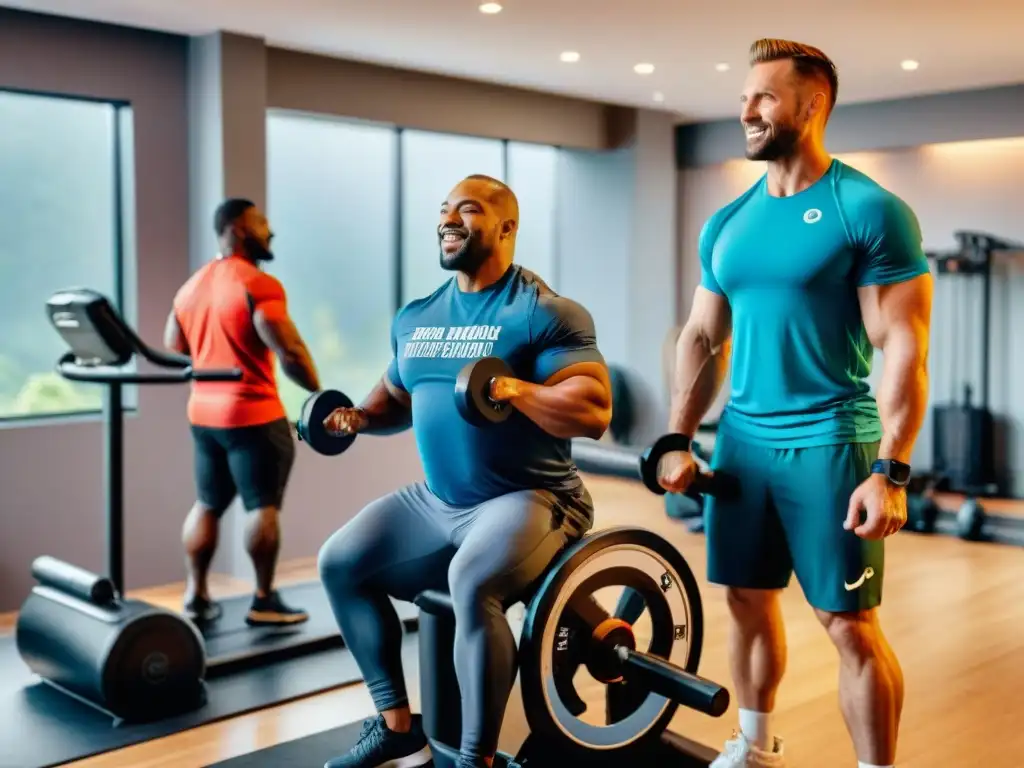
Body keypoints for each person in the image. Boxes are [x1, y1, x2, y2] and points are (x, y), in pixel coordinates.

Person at [660, 40, 933, 768]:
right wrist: (675, 438)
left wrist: (892, 470)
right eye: (745, 96)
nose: (746, 111)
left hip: (832, 441)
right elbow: (700, 336)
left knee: (847, 622)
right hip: (743, 443)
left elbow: (901, 345)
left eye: (764, 98)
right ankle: (754, 747)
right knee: (746, 602)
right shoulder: (728, 223)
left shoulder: (867, 209)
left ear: (812, 106)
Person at [317, 174, 612, 768]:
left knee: (473, 583)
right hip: (440, 502)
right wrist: (351, 419)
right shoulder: (418, 317)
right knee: (340, 562)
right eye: (444, 210)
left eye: (468, 210)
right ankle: (398, 727)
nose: (449, 220)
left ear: (506, 228)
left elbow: (594, 409)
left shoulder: (543, 312)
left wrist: (514, 388)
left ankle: (476, 759)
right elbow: (393, 402)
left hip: (532, 496)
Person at [165, 198, 321, 627]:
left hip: (203, 416)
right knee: (262, 506)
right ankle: (264, 598)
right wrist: (320, 392)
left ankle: (195, 595)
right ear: (237, 229)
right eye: (262, 223)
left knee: (207, 504)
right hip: (252, 414)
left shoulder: (192, 286)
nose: (270, 232)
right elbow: (288, 349)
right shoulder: (258, 283)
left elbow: (173, 342)